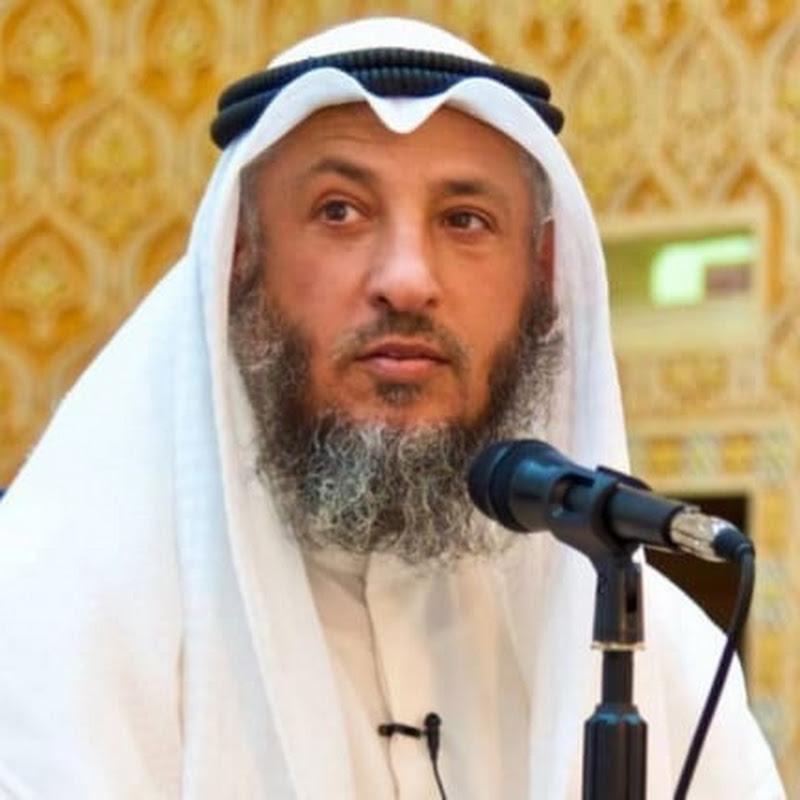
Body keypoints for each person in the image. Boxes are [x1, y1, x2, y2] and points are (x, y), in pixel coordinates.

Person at [0, 16, 785, 800]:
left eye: (464, 220)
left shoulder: (658, 660)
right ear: (239, 259)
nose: (407, 279)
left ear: (544, 278)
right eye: (340, 211)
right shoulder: (53, 618)